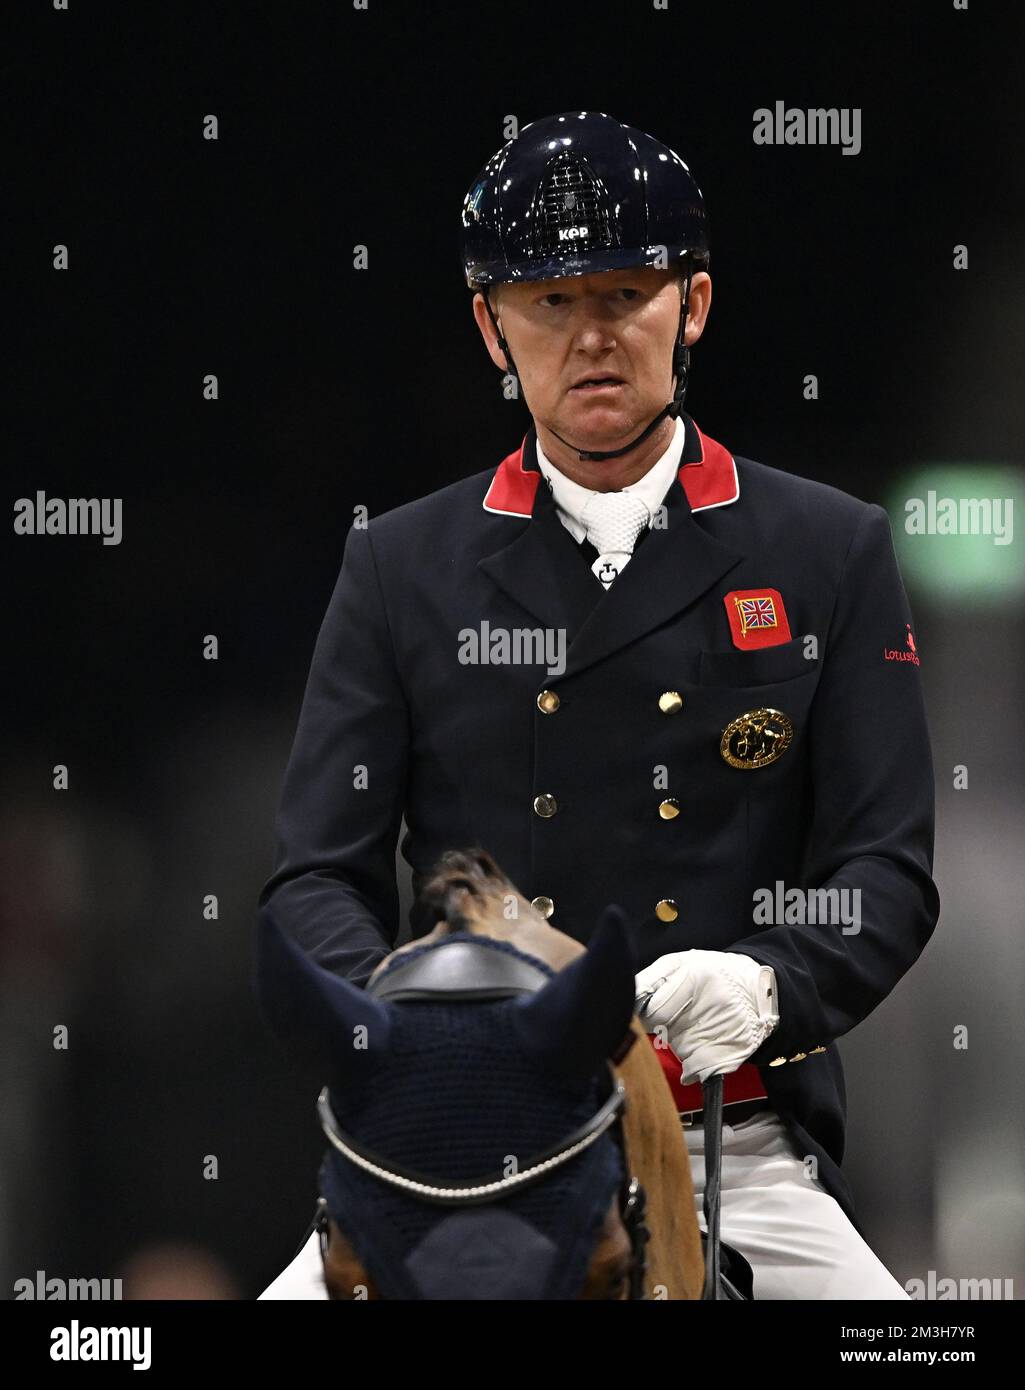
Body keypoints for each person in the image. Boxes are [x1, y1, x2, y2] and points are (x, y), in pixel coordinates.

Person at [257, 110, 939, 1299]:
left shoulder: (826, 549)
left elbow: (884, 865)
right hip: (457, 1142)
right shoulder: (399, 567)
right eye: (548, 303)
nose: (590, 338)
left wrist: (767, 983)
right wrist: (416, 1031)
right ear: (491, 326)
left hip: (728, 1136)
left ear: (693, 306)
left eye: (625, 295)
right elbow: (315, 875)